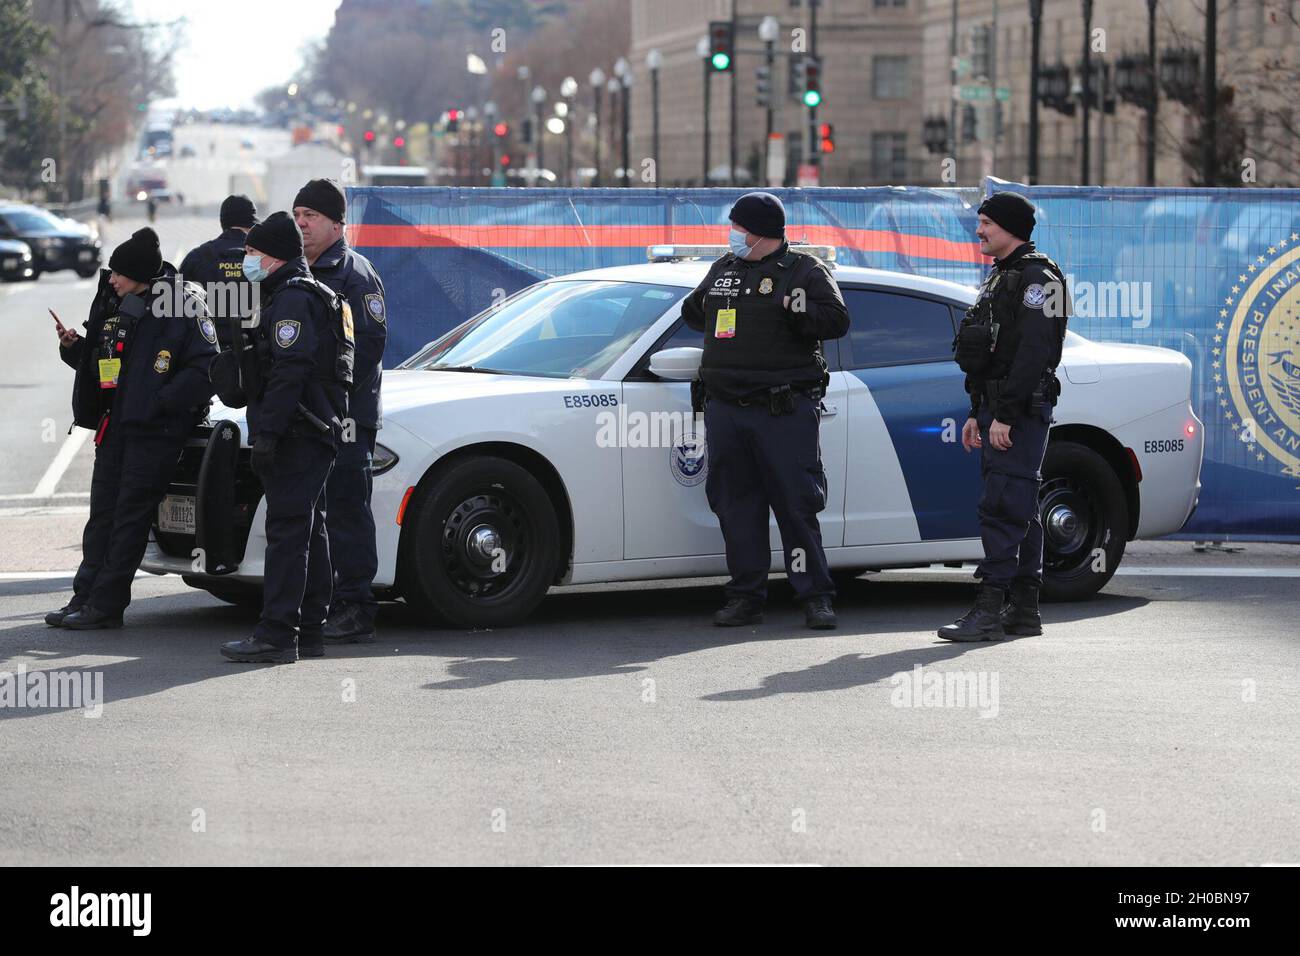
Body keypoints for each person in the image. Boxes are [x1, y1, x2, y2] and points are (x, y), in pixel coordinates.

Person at [681, 192, 850, 630]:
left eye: (738, 227)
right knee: (736, 506)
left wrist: (794, 309)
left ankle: (815, 596)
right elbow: (693, 312)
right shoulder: (726, 268)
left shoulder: (804, 271)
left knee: (795, 505)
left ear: (758, 232)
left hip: (782, 409)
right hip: (726, 409)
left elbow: (837, 321)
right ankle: (745, 597)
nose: (732, 234)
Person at [47, 227, 217, 629]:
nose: (111, 279)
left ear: (140, 274)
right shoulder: (117, 303)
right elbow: (106, 368)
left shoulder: (182, 307)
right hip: (114, 428)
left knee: (128, 519)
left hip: (154, 433)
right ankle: (84, 597)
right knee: (102, 516)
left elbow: (205, 368)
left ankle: (105, 607)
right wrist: (75, 350)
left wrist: (158, 403)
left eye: (119, 273)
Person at [219, 212, 353, 664]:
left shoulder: (293, 300)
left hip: (298, 434)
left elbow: (289, 371)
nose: (247, 262)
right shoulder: (291, 294)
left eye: (253, 254)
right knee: (307, 529)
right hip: (309, 432)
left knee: (287, 533)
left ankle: (276, 635)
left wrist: (269, 435)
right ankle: (309, 629)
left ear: (274, 257)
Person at [940, 191, 1069, 641]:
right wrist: (980, 411)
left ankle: (990, 608)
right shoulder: (1002, 277)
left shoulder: (1041, 279)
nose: (979, 231)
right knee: (1021, 507)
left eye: (987, 223)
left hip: (1021, 410)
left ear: (1010, 227)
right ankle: (1024, 610)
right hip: (998, 407)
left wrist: (1008, 416)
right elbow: (988, 353)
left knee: (1002, 505)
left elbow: (1035, 354)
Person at [293, 178, 387, 645]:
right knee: (315, 512)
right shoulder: (294, 271)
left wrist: (325, 392)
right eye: (297, 215)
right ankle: (320, 602)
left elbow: (367, 347)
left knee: (347, 506)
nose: (302, 224)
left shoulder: (354, 273)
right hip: (309, 415)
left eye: (311, 216)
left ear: (336, 223)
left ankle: (356, 608)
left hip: (347, 414)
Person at [178, 194, 259, 347]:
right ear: (252, 224)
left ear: (223, 222)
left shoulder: (197, 257)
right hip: (255, 355)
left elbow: (175, 307)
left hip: (207, 354)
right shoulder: (264, 257)